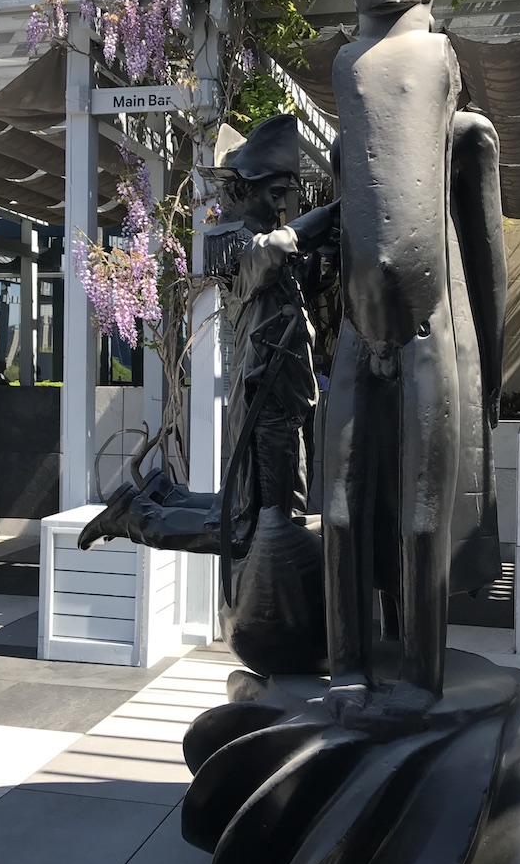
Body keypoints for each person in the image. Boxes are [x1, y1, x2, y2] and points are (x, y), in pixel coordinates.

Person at [323, 0, 506, 723]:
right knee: (337, 505)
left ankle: (419, 676)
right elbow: (350, 204)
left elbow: (488, 254)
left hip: (433, 319)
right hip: (356, 322)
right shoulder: (343, 69)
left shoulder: (442, 73)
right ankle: (345, 662)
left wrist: (490, 374)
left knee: (424, 511)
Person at [78, 113, 338, 555]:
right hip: (264, 398)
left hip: (288, 395)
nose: (280, 207)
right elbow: (274, 252)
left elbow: (308, 275)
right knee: (255, 529)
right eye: (274, 195)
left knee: (267, 518)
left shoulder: (264, 241)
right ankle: (139, 517)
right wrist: (334, 211)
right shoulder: (236, 241)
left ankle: (160, 495)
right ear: (242, 189)